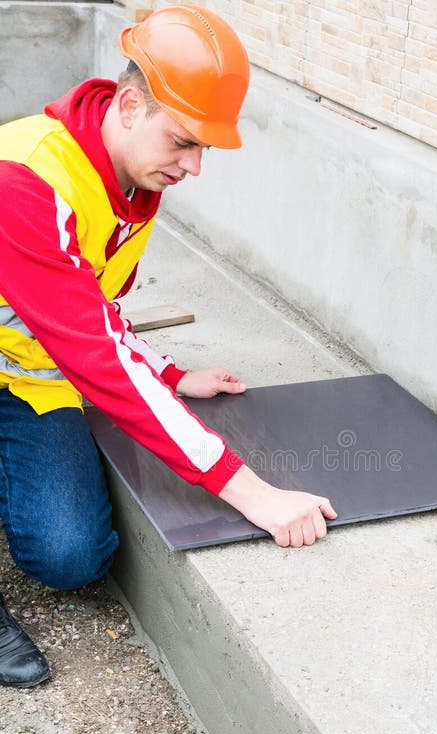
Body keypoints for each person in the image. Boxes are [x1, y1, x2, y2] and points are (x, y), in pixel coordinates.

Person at [0, 4, 336, 689]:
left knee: (72, 556)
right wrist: (254, 494)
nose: (196, 166)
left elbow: (93, 314)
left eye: (204, 147)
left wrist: (170, 373)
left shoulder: (130, 181)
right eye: (184, 141)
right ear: (128, 105)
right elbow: (94, 352)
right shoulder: (27, 179)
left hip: (29, 380)